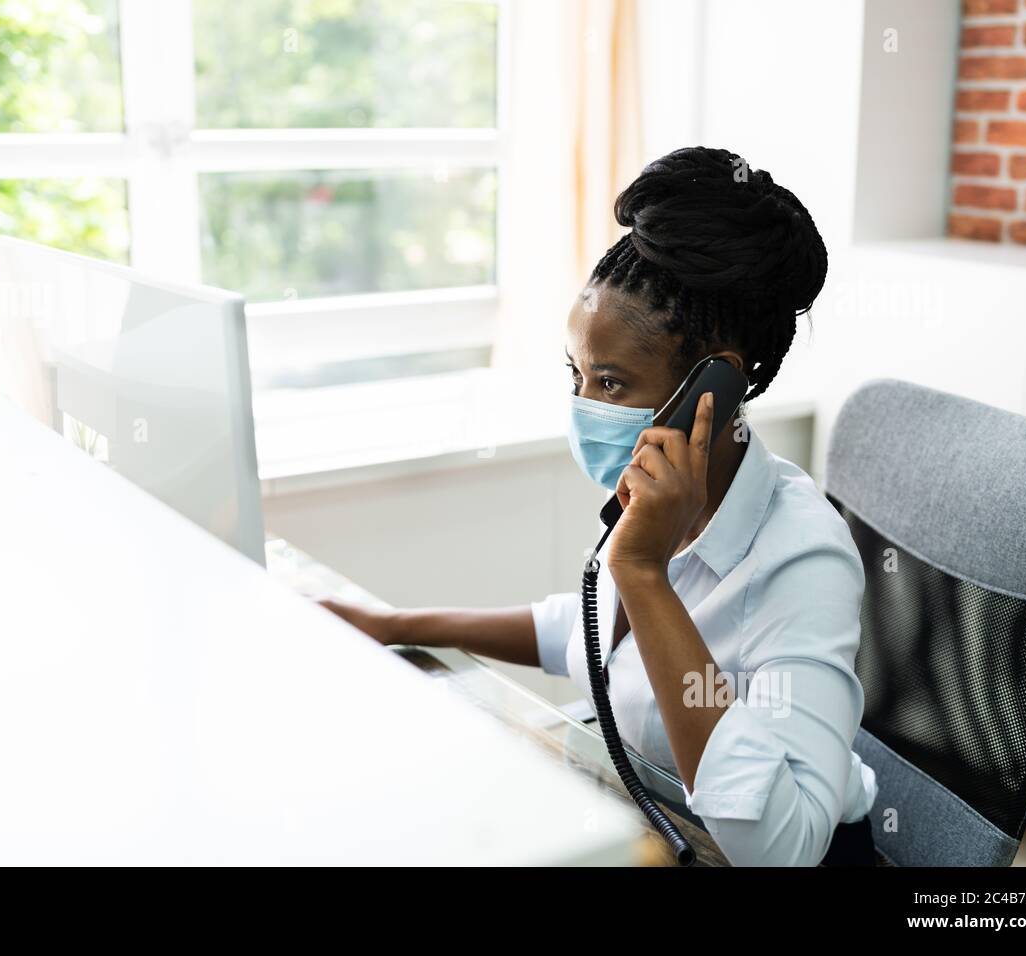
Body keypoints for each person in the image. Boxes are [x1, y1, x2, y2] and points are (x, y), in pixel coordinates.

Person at [320, 146, 878, 866]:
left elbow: (782, 845)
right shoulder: (664, 500)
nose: (583, 406)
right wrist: (395, 624)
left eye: (610, 383)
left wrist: (643, 573)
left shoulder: (803, 557)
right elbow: (591, 636)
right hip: (655, 817)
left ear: (715, 390)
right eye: (576, 373)